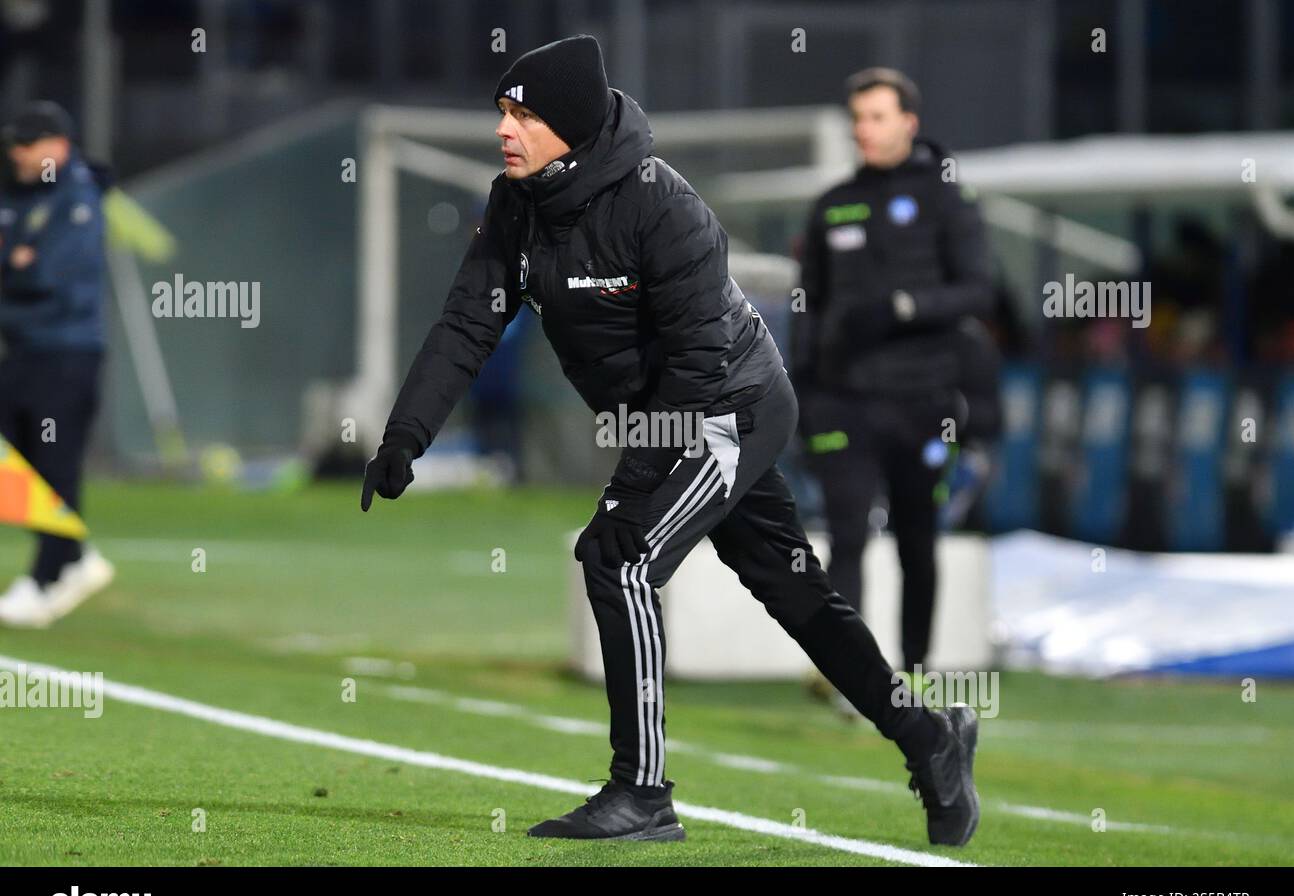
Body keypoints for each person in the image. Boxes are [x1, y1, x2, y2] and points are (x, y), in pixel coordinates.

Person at [361, 36, 978, 846]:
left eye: (524, 114)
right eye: (502, 112)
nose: (505, 130)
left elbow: (697, 365)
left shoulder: (662, 205)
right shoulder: (517, 203)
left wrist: (639, 476)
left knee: (617, 554)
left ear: (573, 125)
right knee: (798, 596)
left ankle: (643, 795)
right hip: (669, 415)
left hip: (728, 405)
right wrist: (406, 435)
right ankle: (929, 737)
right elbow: (467, 322)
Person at [792, 68, 994, 674]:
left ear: (909, 121)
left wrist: (904, 309)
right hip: (844, 399)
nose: (865, 130)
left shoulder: (948, 198)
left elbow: (980, 291)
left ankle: (914, 665)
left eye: (877, 117)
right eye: (857, 119)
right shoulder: (832, 205)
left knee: (916, 539)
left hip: (923, 400)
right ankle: (850, 673)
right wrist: (800, 390)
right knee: (847, 534)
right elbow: (809, 305)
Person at [0, 101, 114, 628]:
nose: (16, 153)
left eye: (27, 143)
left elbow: (40, 276)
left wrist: (16, 262)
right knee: (16, 464)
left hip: (66, 353)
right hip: (24, 351)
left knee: (54, 461)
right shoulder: (25, 195)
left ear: (57, 145)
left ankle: (50, 573)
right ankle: (72, 556)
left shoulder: (78, 199)